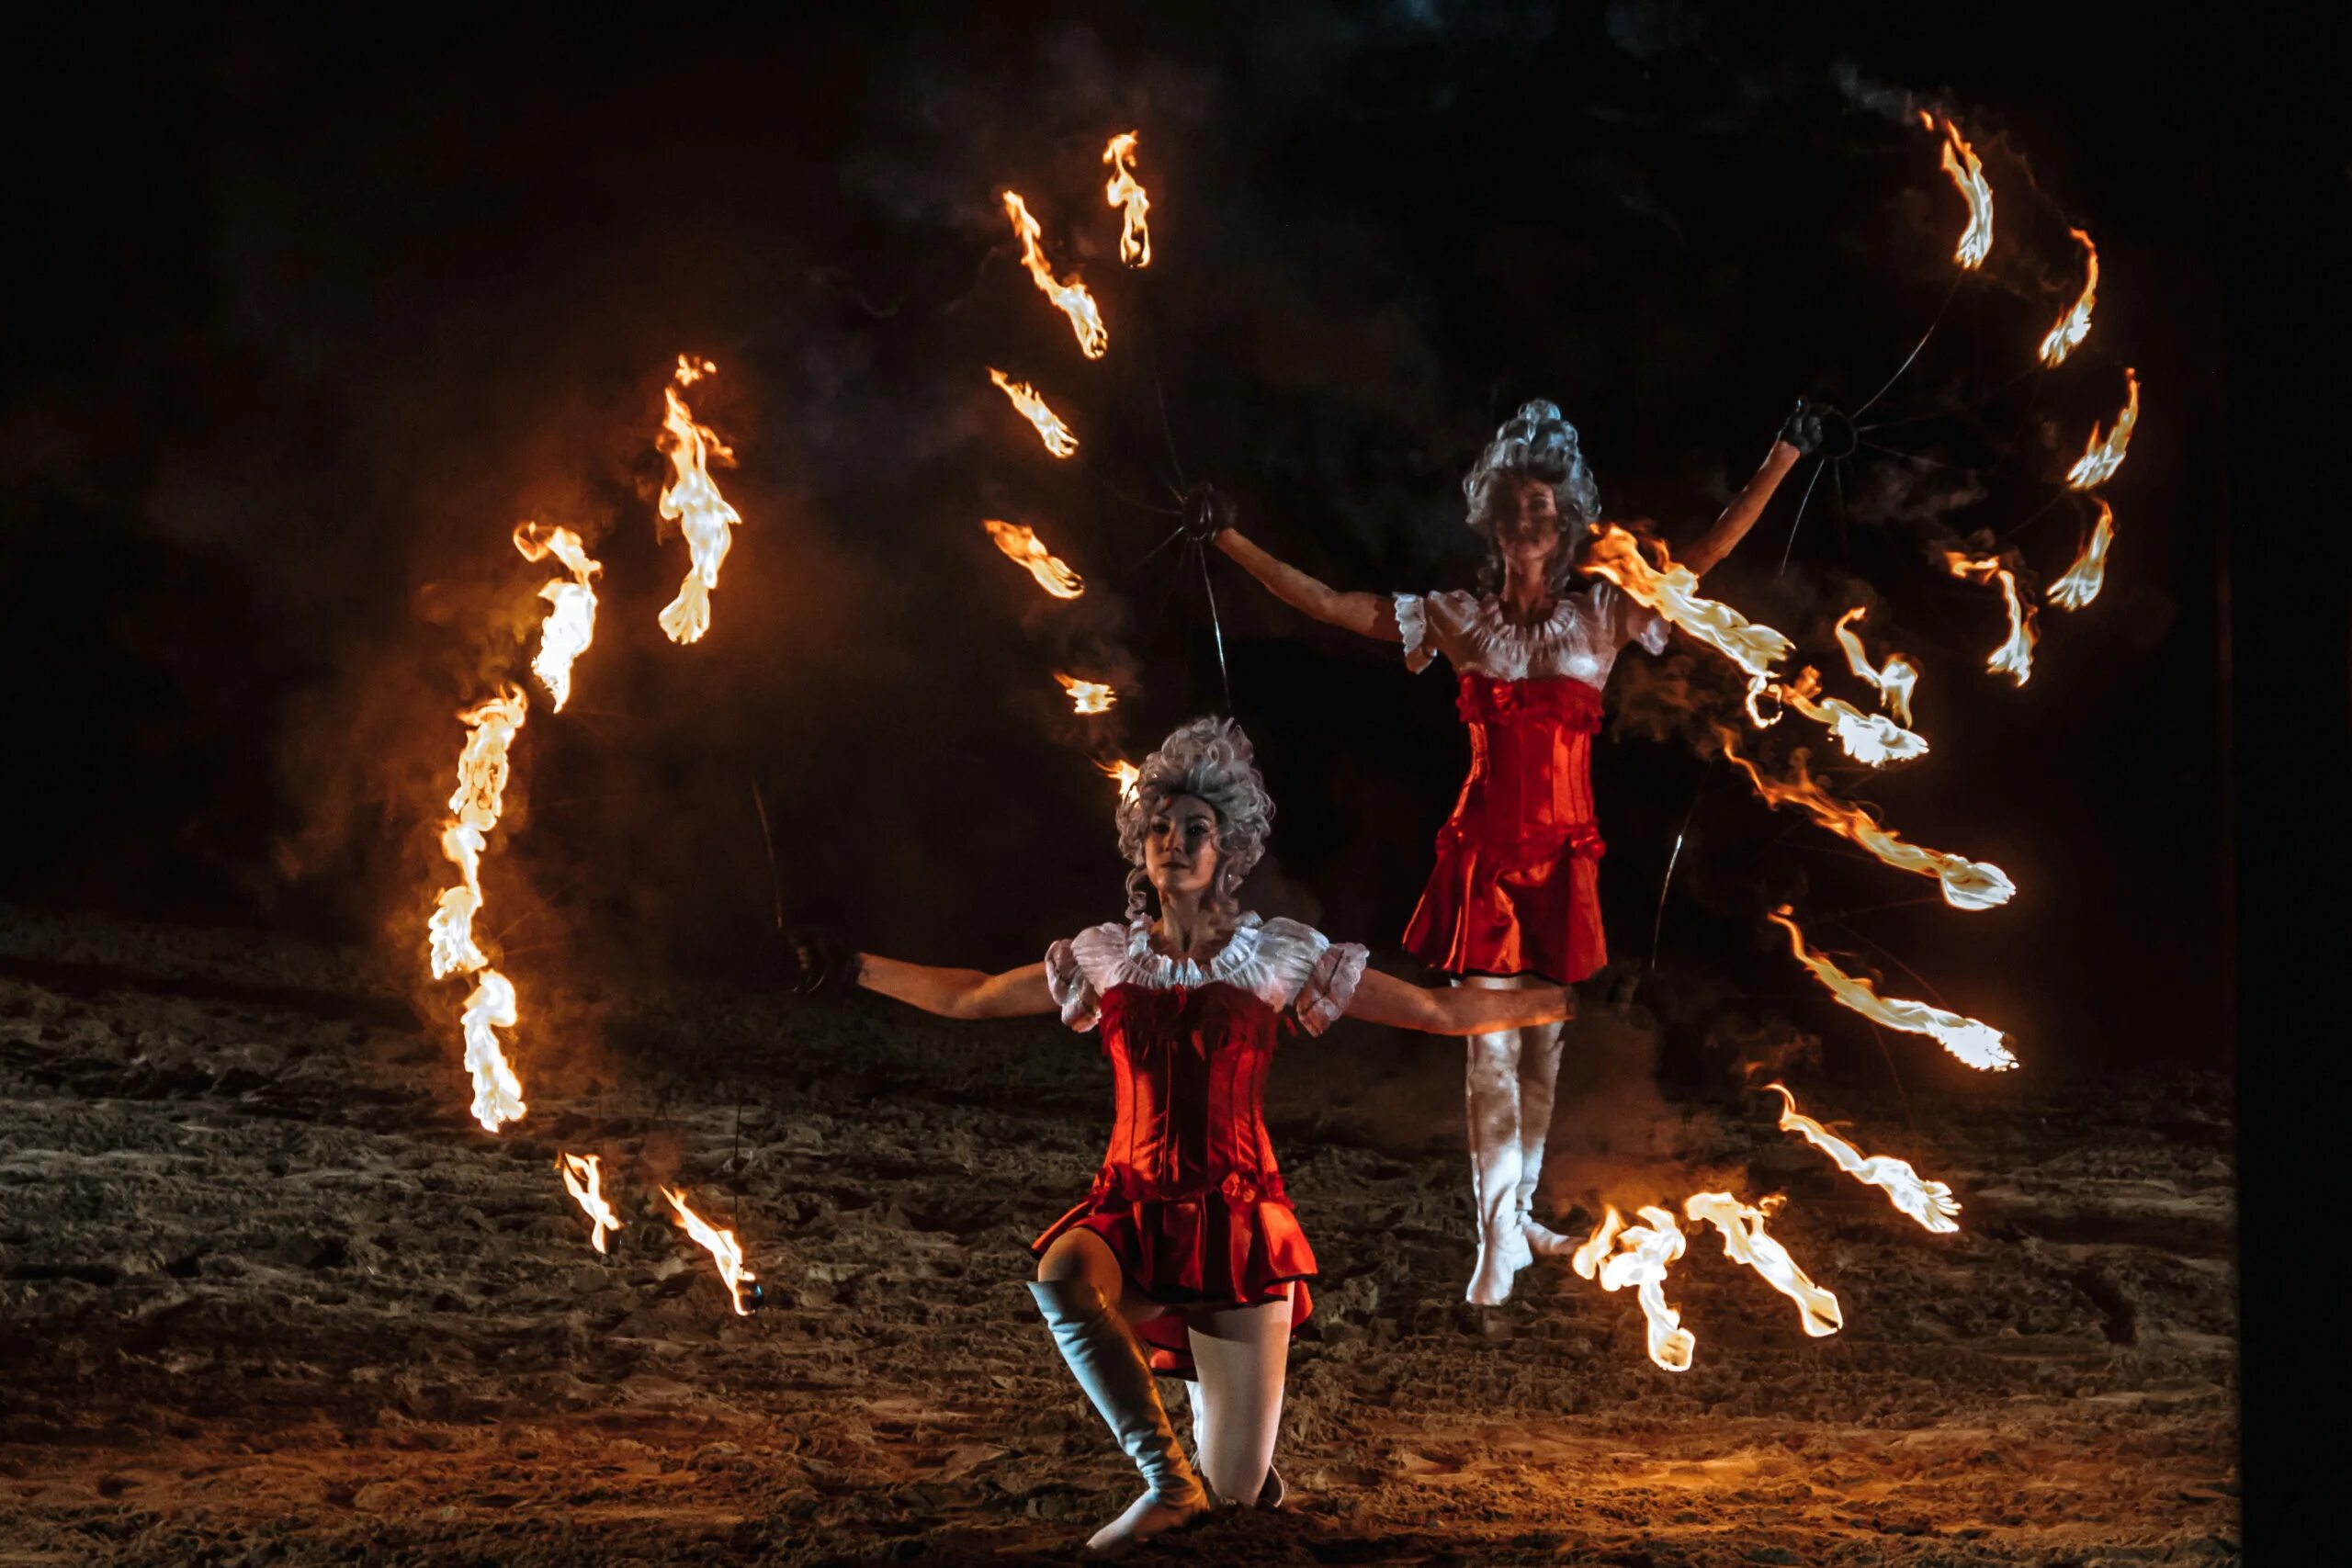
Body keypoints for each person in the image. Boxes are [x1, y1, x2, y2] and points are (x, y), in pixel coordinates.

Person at [790, 717, 1574, 1551]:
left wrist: (1561, 1000)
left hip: (1240, 1232)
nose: (1174, 840)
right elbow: (973, 995)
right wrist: (853, 966)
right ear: (1142, 845)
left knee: (1235, 1500)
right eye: (1160, 827)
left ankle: (1234, 1462)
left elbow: (1439, 1011)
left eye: (1195, 829)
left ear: (1228, 849)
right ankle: (1166, 1480)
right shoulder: (1105, 956)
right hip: (1130, 1213)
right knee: (1062, 1274)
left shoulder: (1278, 955)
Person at [1202, 398, 1830, 1305]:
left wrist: (1782, 457)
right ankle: (1494, 1242)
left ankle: (1520, 1213)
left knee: (1543, 1051)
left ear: (1569, 521)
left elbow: (1705, 555)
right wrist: (1231, 543)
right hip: (1486, 860)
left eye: (1548, 505)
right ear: (1494, 517)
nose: (1532, 519)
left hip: (1567, 861)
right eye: (1516, 505)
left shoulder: (1606, 616)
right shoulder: (1458, 620)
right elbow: (1334, 606)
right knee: (1488, 1051)